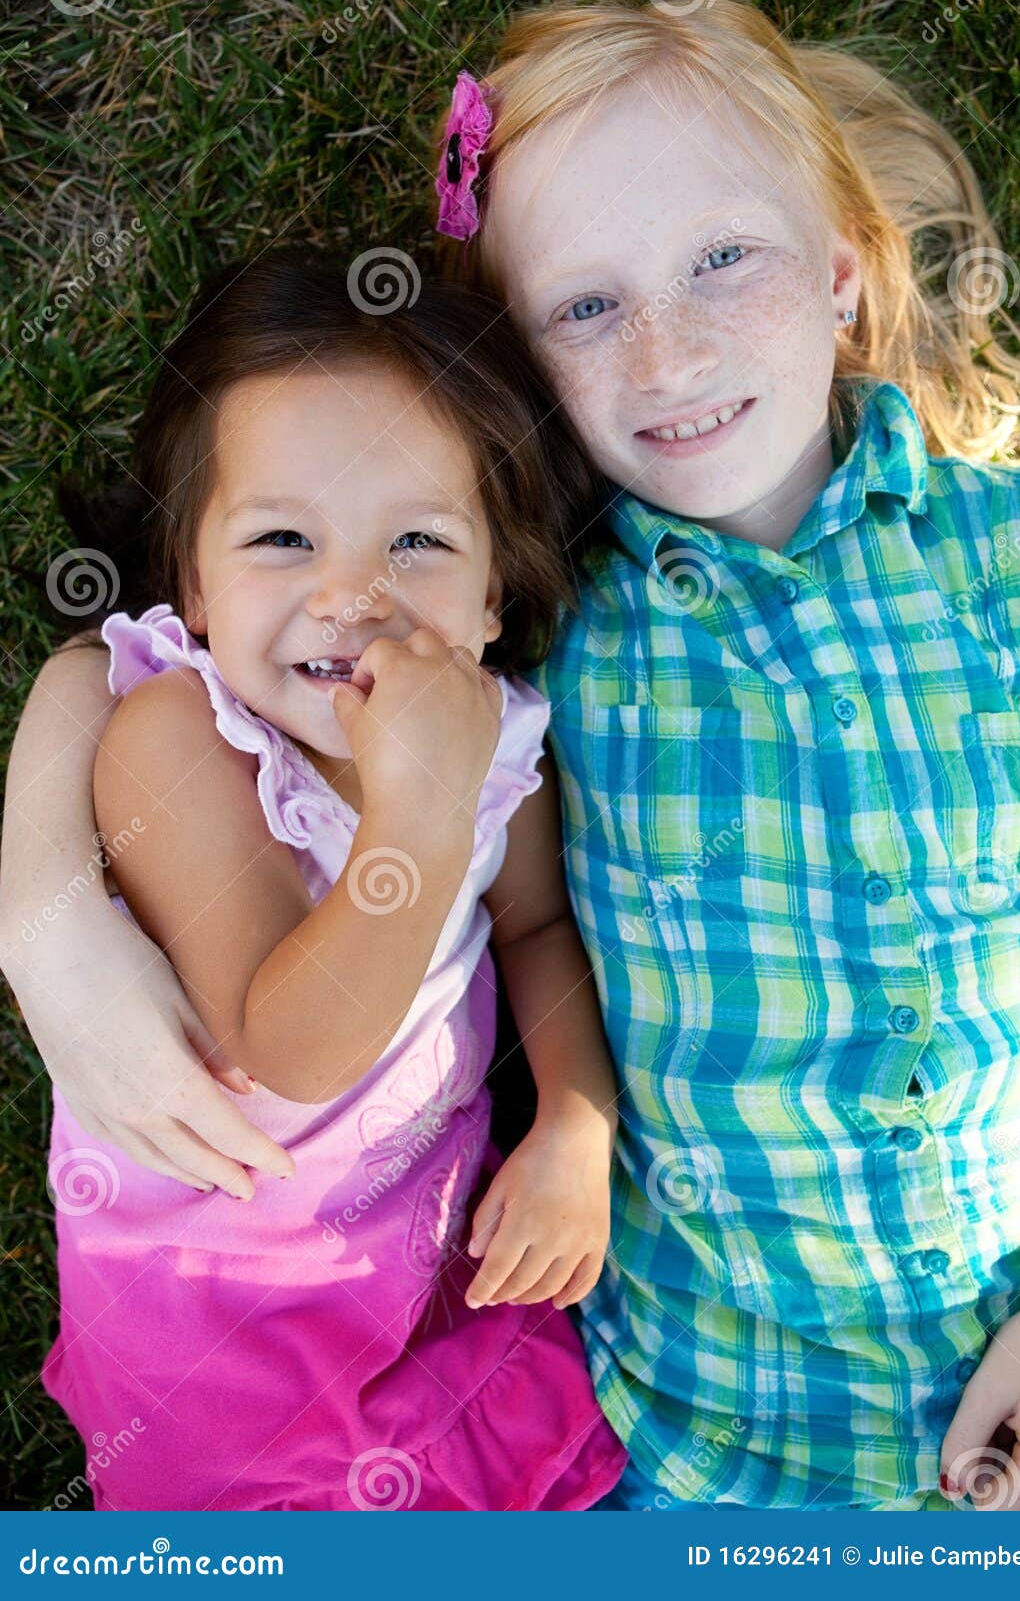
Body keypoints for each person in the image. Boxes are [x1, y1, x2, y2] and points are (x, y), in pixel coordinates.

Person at [6, 0, 1020, 1512]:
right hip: (693, 1442)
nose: (667, 347)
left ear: (841, 274)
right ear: (518, 384)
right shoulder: (533, 625)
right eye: (584, 305)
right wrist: (39, 911)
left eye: (724, 259)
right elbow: (130, 664)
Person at [12, 249, 626, 1511]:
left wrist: (573, 1122)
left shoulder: (493, 734)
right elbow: (290, 1044)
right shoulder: (180, 745)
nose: (352, 596)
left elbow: (536, 929)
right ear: (190, 579)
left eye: (417, 540)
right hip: (217, 1308)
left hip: (429, 1261)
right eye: (284, 538)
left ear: (496, 593)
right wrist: (417, 804)